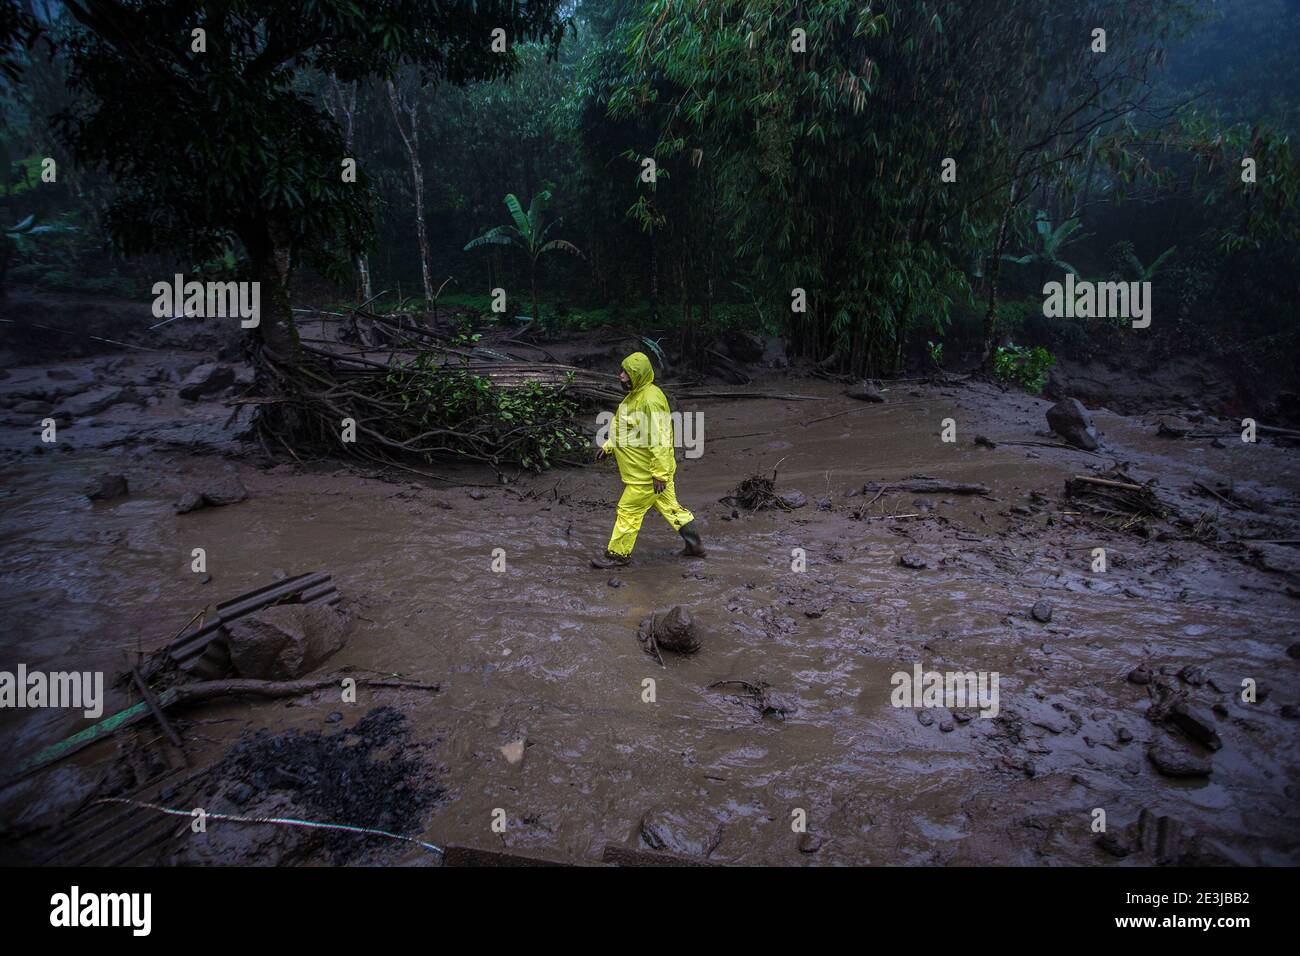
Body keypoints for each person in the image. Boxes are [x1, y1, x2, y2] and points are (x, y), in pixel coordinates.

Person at [591, 351, 705, 568]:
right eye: (622, 371)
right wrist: (608, 447)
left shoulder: (650, 400)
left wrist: (659, 474)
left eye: (627, 373)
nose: (621, 376)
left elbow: (660, 439)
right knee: (672, 508)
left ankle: (617, 555)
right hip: (652, 473)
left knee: (628, 511)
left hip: (645, 475)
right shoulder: (634, 396)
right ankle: (695, 546)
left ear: (639, 374)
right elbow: (625, 429)